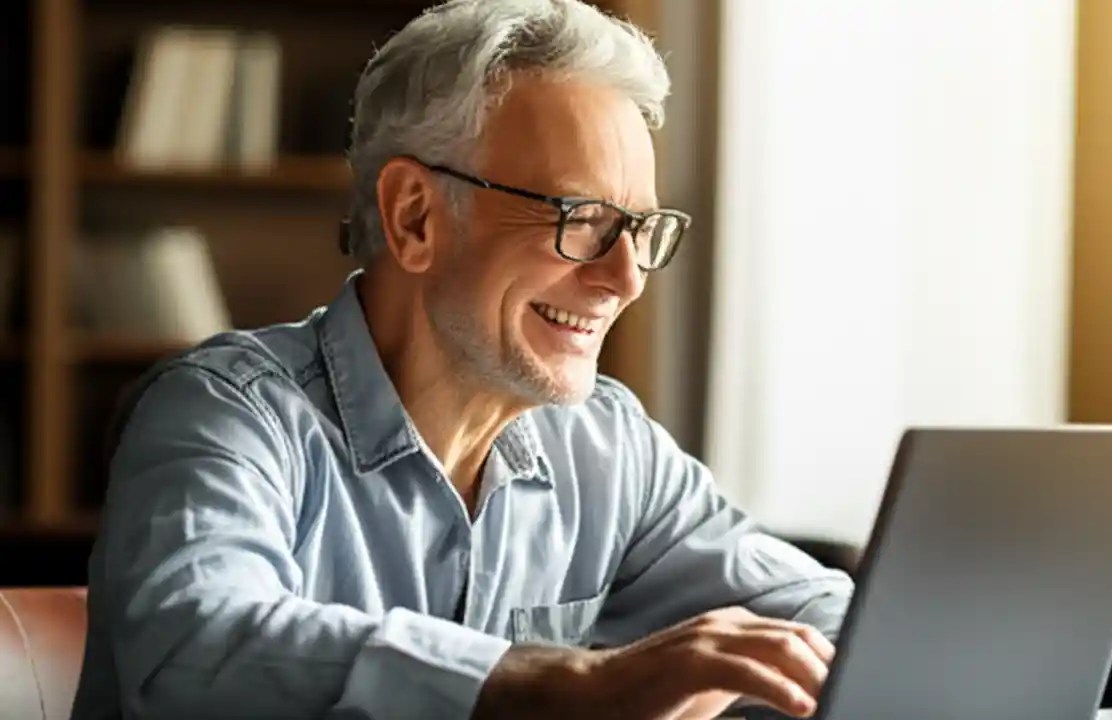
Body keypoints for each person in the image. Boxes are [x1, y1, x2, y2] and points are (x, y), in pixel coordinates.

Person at [70, 1, 853, 718]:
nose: (623, 278)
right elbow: (195, 644)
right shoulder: (223, 414)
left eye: (641, 231)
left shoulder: (608, 447)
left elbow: (814, 614)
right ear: (415, 217)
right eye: (581, 219)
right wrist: (564, 684)